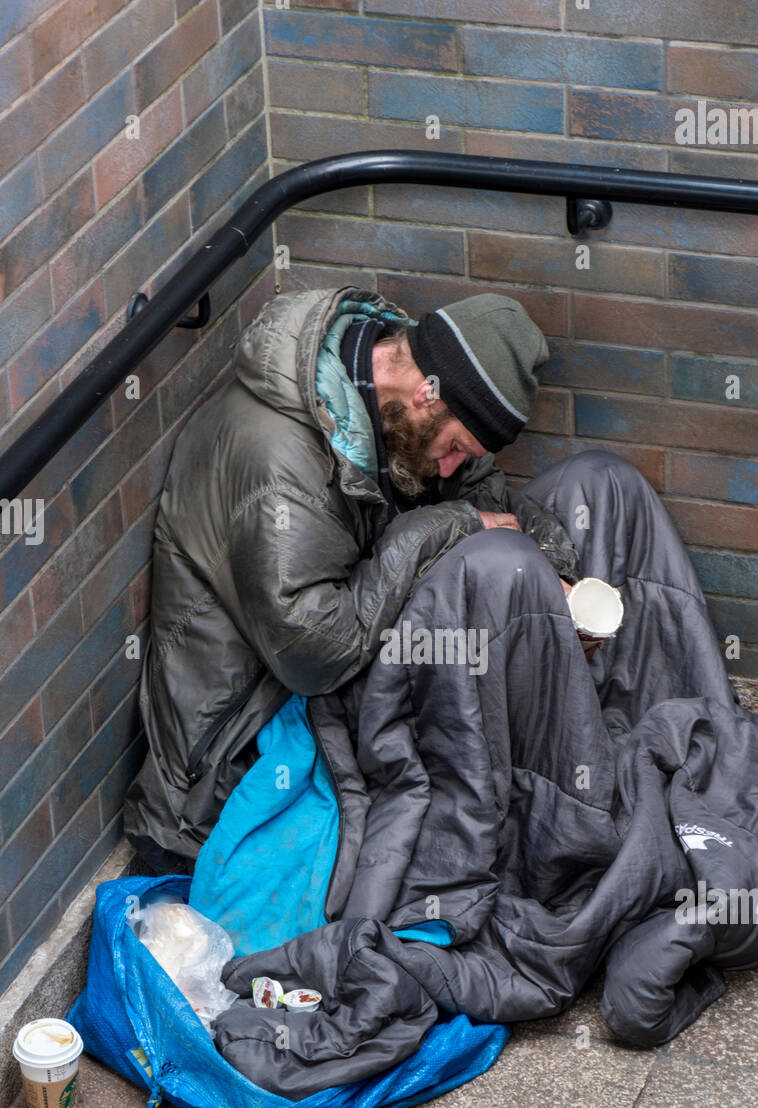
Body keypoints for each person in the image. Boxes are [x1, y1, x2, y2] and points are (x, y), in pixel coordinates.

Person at [123, 286, 582, 874]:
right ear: (425, 396)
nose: (451, 465)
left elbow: (479, 493)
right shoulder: (279, 466)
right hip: (242, 750)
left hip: (330, 676)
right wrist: (445, 530)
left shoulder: (390, 396)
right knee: (483, 576)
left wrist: (558, 573)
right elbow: (315, 653)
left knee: (592, 487)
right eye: (454, 448)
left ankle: (548, 793)